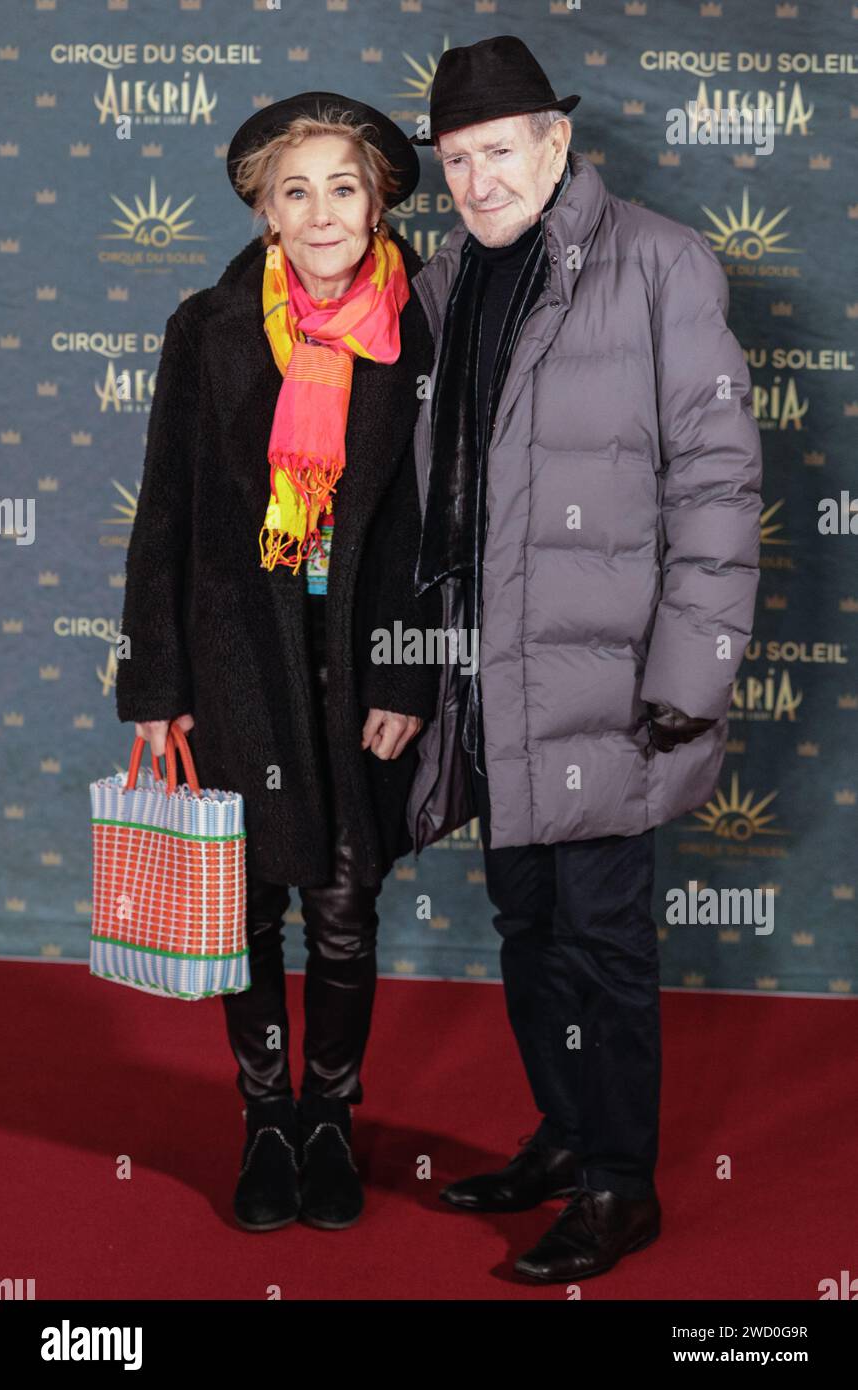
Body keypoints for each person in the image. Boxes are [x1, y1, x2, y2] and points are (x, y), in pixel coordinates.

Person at [405, 37, 762, 1281]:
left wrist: (688, 676)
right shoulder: (451, 279)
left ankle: (622, 1186)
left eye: (497, 151)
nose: (476, 180)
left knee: (607, 940)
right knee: (527, 922)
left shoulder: (660, 263)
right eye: (454, 162)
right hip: (496, 678)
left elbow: (717, 479)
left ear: (557, 143)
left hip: (614, 684)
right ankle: (564, 1132)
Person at [115, 92, 442, 1233]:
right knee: (247, 901)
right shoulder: (205, 327)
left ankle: (331, 1116)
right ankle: (264, 1117)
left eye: (341, 188)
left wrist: (410, 674)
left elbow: (436, 523)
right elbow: (162, 514)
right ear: (263, 215)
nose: (319, 212)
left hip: (359, 664)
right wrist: (157, 689)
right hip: (238, 657)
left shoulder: (420, 332)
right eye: (292, 192)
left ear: (380, 202)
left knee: (345, 903)